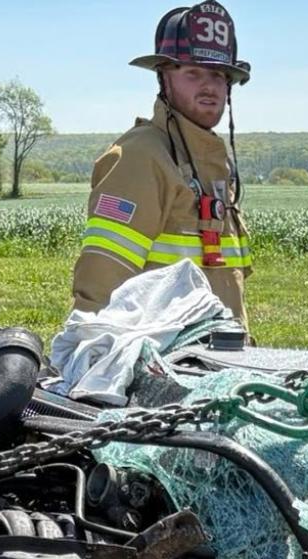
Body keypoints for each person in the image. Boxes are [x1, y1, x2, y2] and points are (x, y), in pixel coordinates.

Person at [73, 3, 253, 324]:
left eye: (218, 74)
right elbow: (99, 290)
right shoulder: (139, 158)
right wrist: (93, 359)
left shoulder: (216, 165)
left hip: (219, 360)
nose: (209, 86)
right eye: (193, 73)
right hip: (162, 361)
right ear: (164, 78)